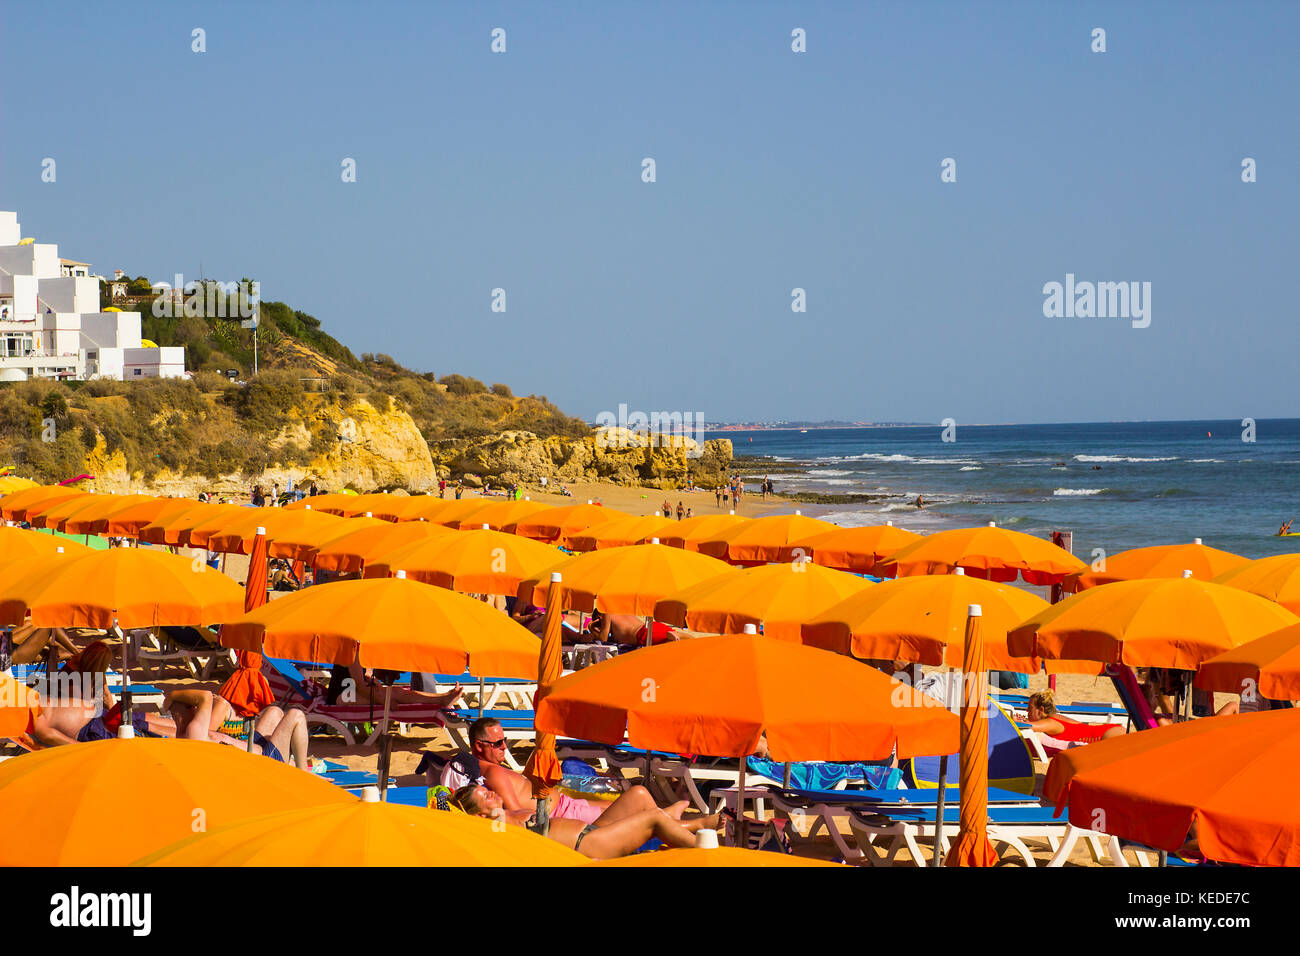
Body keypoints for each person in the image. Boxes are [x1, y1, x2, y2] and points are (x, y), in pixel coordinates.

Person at [451, 784, 721, 860]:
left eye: (484, 788)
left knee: (639, 794)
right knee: (653, 818)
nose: (490, 790)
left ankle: (686, 825)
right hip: (587, 846)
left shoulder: (508, 813)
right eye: (484, 795)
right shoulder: (494, 826)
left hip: (593, 832)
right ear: (478, 815)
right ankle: (710, 848)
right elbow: (492, 836)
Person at [1022, 690, 1124, 742]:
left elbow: (1030, 727)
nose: (1027, 710)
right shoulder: (1056, 717)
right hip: (1111, 731)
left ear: (1041, 710)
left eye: (1030, 708)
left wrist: (1016, 720)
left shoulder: (1051, 722)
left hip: (1102, 737)